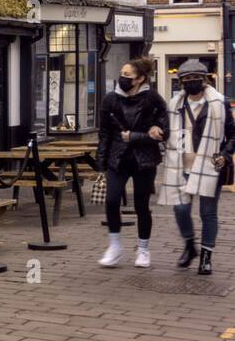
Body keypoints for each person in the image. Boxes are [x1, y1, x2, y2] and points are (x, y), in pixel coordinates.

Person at [159, 59, 235, 275]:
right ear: (181, 81)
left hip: (210, 164)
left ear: (204, 80)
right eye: (187, 79)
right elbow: (167, 130)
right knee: (180, 208)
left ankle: (206, 257)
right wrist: (159, 131)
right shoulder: (175, 104)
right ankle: (189, 245)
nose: (191, 82)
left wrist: (225, 155)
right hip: (181, 164)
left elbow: (232, 133)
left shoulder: (219, 103)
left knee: (207, 212)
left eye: (195, 78)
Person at [97, 57, 168, 268]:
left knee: (141, 205)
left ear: (140, 79)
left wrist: (136, 137)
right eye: (122, 74)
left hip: (144, 159)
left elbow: (165, 133)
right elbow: (104, 133)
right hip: (117, 158)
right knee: (111, 201)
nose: (123, 78)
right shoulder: (111, 100)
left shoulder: (153, 99)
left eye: (128, 75)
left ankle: (143, 249)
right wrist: (101, 163)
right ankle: (115, 246)